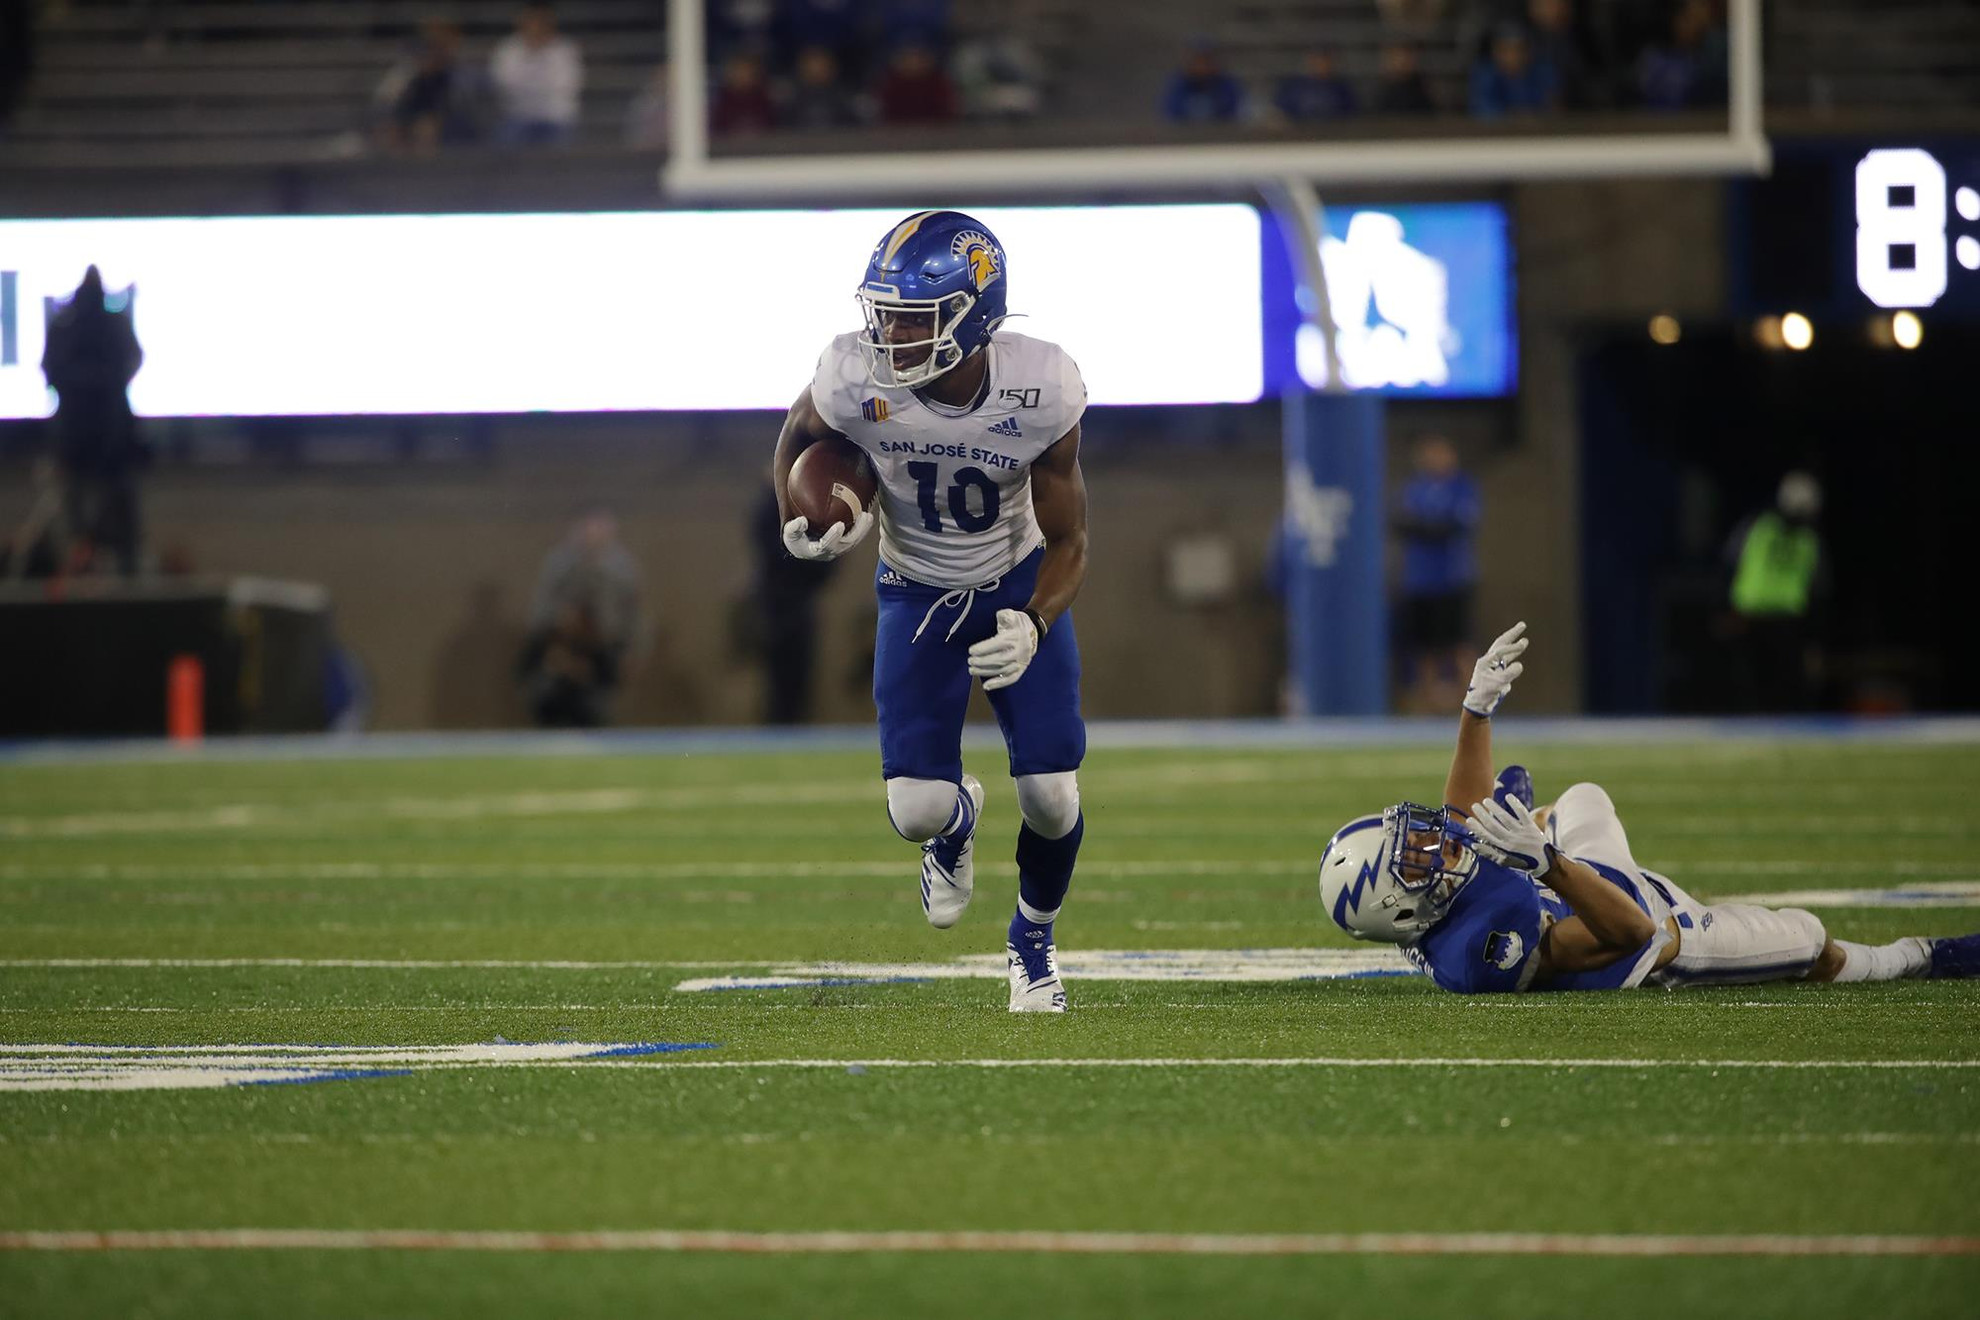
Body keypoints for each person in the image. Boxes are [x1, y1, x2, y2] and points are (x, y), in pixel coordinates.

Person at [772, 211, 1090, 1012]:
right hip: (914, 588)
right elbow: (795, 436)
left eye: (915, 318)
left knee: (1053, 796)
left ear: (976, 315)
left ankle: (1032, 941)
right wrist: (793, 516)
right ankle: (956, 824)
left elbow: (1072, 540)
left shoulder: (1040, 387)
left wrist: (1034, 622)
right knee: (914, 811)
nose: (893, 335)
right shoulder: (853, 373)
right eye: (885, 315)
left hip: (1015, 579)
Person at [1319, 623, 1980, 991]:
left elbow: (1462, 810)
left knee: (1582, 796)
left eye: (1415, 836)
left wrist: (1476, 707)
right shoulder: (1483, 950)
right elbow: (1631, 934)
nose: (1433, 841)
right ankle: (1916, 955)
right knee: (1810, 942)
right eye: (1415, 857)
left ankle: (1527, 825)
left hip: (1594, 880)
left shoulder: (1437, 893)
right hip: (1663, 936)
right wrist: (1547, 863)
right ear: (1401, 911)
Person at [41, 266, 145, 577]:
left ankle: (118, 567)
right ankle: (88, 566)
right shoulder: (76, 327)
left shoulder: (77, 326)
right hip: (91, 437)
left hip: (103, 438)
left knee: (110, 509)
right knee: (83, 512)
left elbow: (50, 370)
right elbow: (51, 369)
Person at [517, 507, 642, 728]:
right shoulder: (559, 565)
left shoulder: (622, 569)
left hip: (601, 648)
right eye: (588, 530)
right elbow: (541, 610)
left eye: (601, 531)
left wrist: (629, 650)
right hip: (557, 649)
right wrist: (557, 654)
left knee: (597, 703)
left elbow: (632, 613)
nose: (594, 537)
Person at [1392, 435, 1480, 713]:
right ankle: (1428, 706)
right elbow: (1400, 522)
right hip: (1419, 582)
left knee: (1459, 643)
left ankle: (1475, 704)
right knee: (1423, 648)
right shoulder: (1415, 488)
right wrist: (1427, 527)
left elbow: (1455, 525)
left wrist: (1426, 527)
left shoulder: (1462, 487)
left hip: (1451, 579)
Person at [1724, 470, 1824, 712]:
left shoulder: (1804, 538)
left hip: (1781, 621)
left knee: (1778, 693)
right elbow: (1729, 564)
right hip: (1757, 618)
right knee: (1751, 691)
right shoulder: (1761, 528)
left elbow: (1728, 563)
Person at [748, 482, 838, 722]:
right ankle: (777, 727)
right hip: (774, 607)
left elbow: (827, 563)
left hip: (801, 606)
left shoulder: (811, 507)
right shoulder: (770, 508)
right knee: (776, 684)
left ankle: (792, 725)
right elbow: (771, 552)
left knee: (800, 682)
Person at [373, 19, 486, 154]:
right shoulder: (406, 73)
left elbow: (467, 110)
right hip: (410, 122)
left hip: (453, 130)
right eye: (432, 45)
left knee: (427, 128)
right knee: (393, 130)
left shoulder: (461, 75)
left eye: (442, 45)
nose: (436, 51)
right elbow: (387, 103)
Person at [490, 2, 584, 146]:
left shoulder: (564, 50)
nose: (536, 26)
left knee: (561, 146)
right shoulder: (508, 49)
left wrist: (527, 84)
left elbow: (565, 86)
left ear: (550, 23)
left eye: (541, 21)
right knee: (504, 141)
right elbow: (504, 83)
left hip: (555, 118)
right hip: (517, 116)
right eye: (531, 21)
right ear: (522, 22)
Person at [1468, 23, 1558, 117]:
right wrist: (1515, 114)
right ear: (1495, 51)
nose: (1512, 56)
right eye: (1505, 50)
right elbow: (1482, 110)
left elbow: (1552, 107)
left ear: (1529, 50)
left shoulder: (1542, 71)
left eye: (1518, 49)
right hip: (1502, 125)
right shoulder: (1485, 74)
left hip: (1537, 125)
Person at [875, 43, 958, 125]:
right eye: (908, 60)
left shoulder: (938, 82)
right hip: (896, 129)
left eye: (918, 59)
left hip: (935, 128)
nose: (913, 63)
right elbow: (885, 112)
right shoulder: (891, 82)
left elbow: (946, 111)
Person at [1162, 43, 1245, 123]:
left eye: (1206, 61)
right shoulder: (1177, 86)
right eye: (1198, 61)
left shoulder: (1228, 86)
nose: (1202, 66)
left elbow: (1235, 114)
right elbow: (1170, 114)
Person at [1274, 49, 1357, 123]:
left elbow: (1352, 114)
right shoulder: (1294, 86)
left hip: (1334, 130)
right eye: (1317, 62)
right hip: (1300, 131)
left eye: (1325, 62)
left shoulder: (1341, 88)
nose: (1321, 66)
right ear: (1310, 62)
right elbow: (1280, 112)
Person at [1371, 41, 1437, 114]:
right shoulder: (1380, 93)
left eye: (1408, 54)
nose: (1402, 60)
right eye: (1394, 55)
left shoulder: (1422, 90)